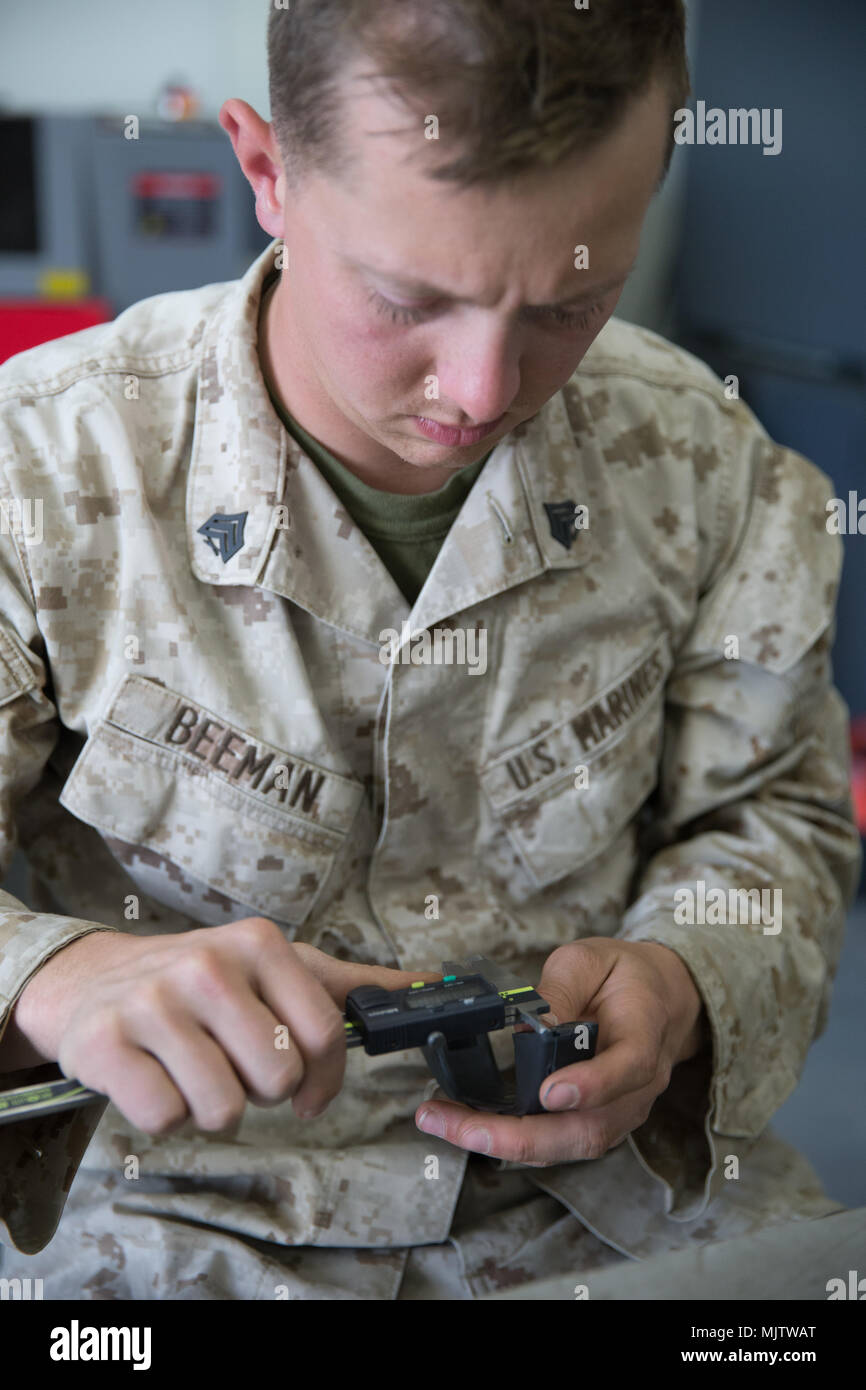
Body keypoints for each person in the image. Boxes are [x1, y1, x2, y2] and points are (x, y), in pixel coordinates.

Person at [0, 0, 859, 1300]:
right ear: (265, 171)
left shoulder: (710, 470)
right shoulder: (39, 471)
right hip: (176, 1208)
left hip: (604, 1201)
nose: (480, 387)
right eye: (409, 298)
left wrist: (687, 976)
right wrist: (55, 974)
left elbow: (775, 818)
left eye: (573, 299)